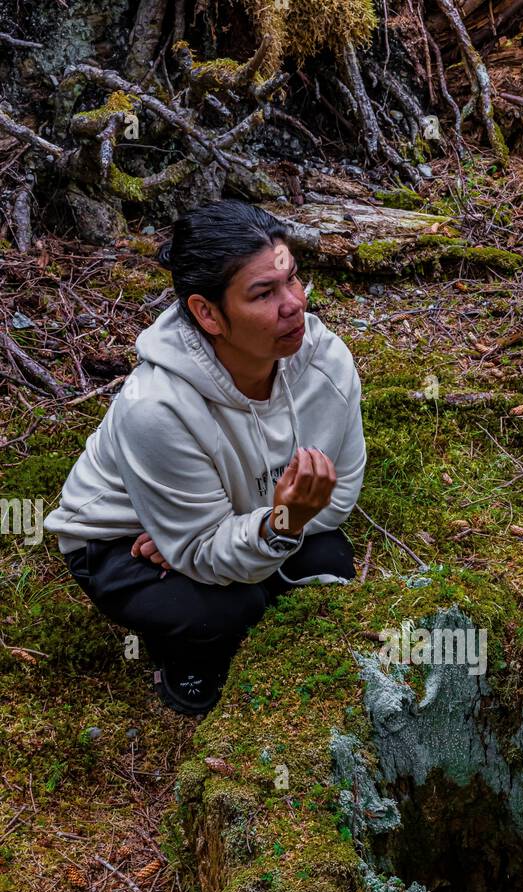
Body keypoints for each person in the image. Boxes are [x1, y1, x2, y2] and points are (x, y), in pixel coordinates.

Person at [44, 199, 366, 715]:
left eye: (293, 280)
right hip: (119, 539)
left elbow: (340, 492)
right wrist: (264, 527)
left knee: (330, 563)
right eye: (264, 293)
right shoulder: (155, 409)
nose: (294, 304)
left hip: (244, 519)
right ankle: (186, 666)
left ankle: (249, 570)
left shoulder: (324, 363)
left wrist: (261, 527)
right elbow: (205, 548)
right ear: (207, 313)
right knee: (223, 609)